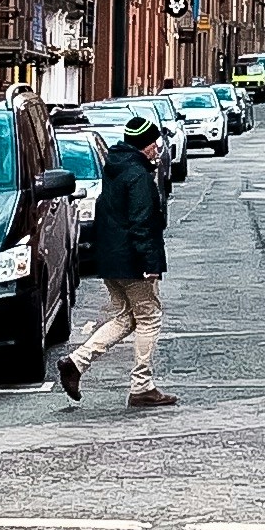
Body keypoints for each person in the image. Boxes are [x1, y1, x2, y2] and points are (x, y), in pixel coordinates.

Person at [58, 108, 174, 408]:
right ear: (142, 145)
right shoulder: (136, 175)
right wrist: (150, 264)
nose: (157, 148)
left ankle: (76, 362)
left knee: (125, 317)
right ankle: (142, 385)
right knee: (149, 318)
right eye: (153, 144)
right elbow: (141, 222)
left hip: (111, 260)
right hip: (132, 263)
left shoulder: (116, 169)